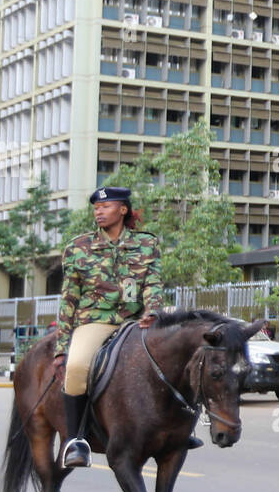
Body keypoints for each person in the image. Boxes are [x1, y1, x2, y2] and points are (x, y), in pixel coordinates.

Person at [55, 186, 186, 468]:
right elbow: (69, 300)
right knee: (77, 368)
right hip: (95, 321)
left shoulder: (146, 244)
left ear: (122, 210)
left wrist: (152, 312)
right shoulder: (78, 247)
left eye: (105, 207)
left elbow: (152, 283)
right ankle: (76, 441)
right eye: (96, 208)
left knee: (175, 358)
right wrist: (62, 347)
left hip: (136, 321)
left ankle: (178, 430)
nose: (98, 212)